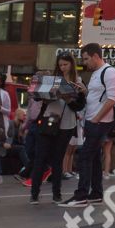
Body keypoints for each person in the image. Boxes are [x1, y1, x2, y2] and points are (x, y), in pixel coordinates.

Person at [64, 43, 115, 207]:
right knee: (93, 157)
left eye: (86, 59)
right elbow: (98, 97)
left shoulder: (109, 72)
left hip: (99, 122)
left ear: (96, 56)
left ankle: (81, 196)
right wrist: (85, 91)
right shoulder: (97, 73)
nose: (84, 62)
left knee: (85, 157)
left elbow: (112, 99)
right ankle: (96, 193)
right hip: (92, 120)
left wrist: (96, 118)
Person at [28, 53, 84, 205]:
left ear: (72, 65)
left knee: (57, 160)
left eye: (66, 64)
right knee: (40, 157)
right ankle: (34, 193)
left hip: (66, 124)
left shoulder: (78, 82)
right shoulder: (52, 79)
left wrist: (69, 99)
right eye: (60, 65)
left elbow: (80, 106)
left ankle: (56, 194)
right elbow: (37, 97)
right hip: (48, 120)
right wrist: (44, 95)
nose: (63, 68)